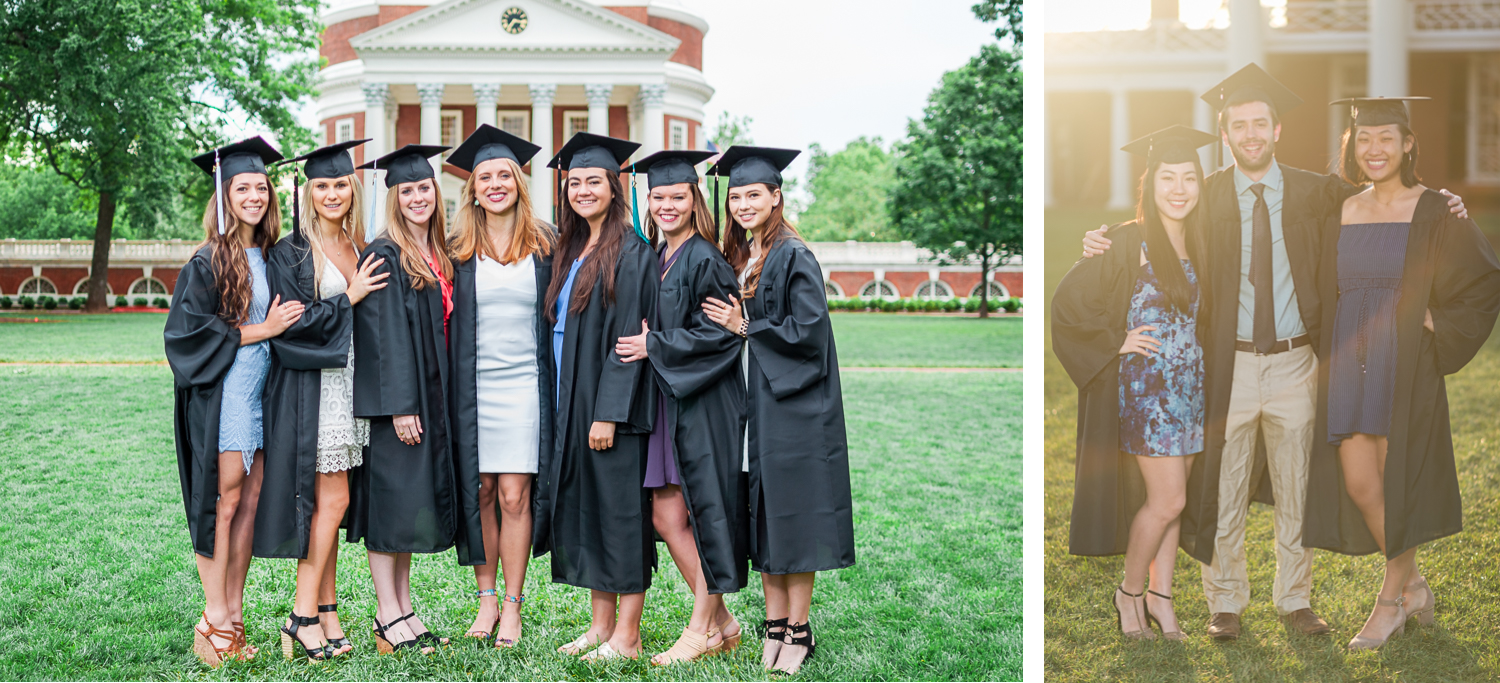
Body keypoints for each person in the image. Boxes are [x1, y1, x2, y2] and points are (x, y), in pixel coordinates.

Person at [1078, 64, 1467, 641]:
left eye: (1261, 123)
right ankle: (1225, 602)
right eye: (1239, 125)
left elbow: (1388, 197)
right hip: (1227, 362)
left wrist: (1444, 203)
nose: (1251, 134)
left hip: (1296, 360)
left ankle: (1295, 599)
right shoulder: (1204, 195)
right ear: (1227, 133)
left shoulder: (1319, 191)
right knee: (1222, 483)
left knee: (1297, 483)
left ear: (1277, 129)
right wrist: (1105, 235)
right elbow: (1159, 218)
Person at [1304, 97, 1500, 649]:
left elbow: (1485, 279)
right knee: (1361, 483)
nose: (1375, 149)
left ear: (1408, 143)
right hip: (1349, 360)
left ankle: (1389, 603)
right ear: (1352, 144)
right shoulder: (1339, 206)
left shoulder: (1436, 209)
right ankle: (1414, 585)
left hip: (1403, 361)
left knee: (1396, 478)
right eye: (1364, 139)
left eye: (1387, 138)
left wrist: (1435, 318)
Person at [1053, 125, 1219, 641]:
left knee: (1177, 500)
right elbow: (1067, 305)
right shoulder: (1125, 239)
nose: (1179, 188)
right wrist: (1115, 341)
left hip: (1192, 387)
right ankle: (1129, 595)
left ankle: (1163, 602)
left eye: (1189, 177)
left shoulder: (1205, 236)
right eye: (1168, 177)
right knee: (1166, 500)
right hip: (1149, 392)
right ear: (1150, 183)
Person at [702, 146, 854, 675]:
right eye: (737, 196)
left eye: (753, 195)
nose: (743, 204)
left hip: (796, 407)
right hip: (760, 404)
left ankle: (800, 628)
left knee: (795, 517)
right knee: (764, 513)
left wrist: (747, 327)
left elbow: (810, 333)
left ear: (776, 197)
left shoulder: (792, 254)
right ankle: (773, 625)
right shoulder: (748, 253)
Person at [166, 137, 303, 667]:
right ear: (224, 195)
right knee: (222, 505)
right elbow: (186, 334)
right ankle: (213, 619)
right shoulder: (205, 260)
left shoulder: (272, 256)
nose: (254, 196)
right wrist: (262, 328)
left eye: (260, 188)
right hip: (225, 394)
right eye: (242, 187)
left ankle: (235, 616)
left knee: (247, 505)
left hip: (264, 394)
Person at [256, 139, 390, 661]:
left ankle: (328, 613)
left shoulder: (358, 247)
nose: (331, 193)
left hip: (349, 384)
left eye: (339, 184)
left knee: (330, 506)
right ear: (307, 193)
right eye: (322, 186)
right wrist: (349, 297)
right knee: (332, 502)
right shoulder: (290, 252)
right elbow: (289, 328)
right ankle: (301, 615)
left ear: (351, 190)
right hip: (314, 389)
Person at [614, 150, 749, 665]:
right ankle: (722, 621)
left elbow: (721, 337)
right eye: (659, 197)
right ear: (647, 201)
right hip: (671, 402)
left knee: (707, 512)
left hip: (707, 402)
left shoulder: (705, 259)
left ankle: (699, 630)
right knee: (667, 515)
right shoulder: (659, 256)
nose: (668, 205)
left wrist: (657, 347)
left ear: (695, 200)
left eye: (678, 196)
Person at [348, 143, 480, 654]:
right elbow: (383, 335)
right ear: (394, 198)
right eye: (408, 191)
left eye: (425, 187)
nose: (418, 197)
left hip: (431, 396)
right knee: (390, 507)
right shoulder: (383, 252)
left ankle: (404, 609)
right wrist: (402, 405)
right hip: (400, 405)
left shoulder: (438, 253)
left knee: (406, 508)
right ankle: (386, 616)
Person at [533, 132, 658, 661]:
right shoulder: (570, 247)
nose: (583, 190)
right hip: (570, 396)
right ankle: (600, 627)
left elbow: (630, 339)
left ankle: (626, 636)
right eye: (575, 182)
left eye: (594, 182)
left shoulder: (632, 251)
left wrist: (608, 413)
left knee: (620, 512)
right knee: (588, 510)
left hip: (609, 405)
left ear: (615, 186)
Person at [444, 124, 555, 648]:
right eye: (484, 176)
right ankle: (485, 600)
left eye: (504, 175)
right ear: (472, 189)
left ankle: (513, 605)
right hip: (473, 389)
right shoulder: (456, 249)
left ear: (519, 182)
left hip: (525, 388)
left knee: (515, 495)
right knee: (482, 490)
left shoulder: (547, 243)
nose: (494, 184)